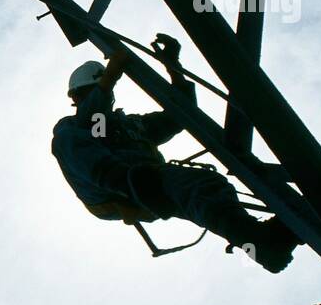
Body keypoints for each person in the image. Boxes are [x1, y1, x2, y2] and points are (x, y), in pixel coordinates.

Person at [50, 35, 300, 272]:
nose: (100, 95)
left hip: (150, 185)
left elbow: (180, 115)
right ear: (76, 98)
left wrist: (173, 66)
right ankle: (265, 245)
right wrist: (108, 80)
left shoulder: (130, 125)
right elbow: (96, 120)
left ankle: (268, 239)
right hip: (112, 189)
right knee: (70, 138)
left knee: (209, 186)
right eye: (89, 93)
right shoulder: (77, 128)